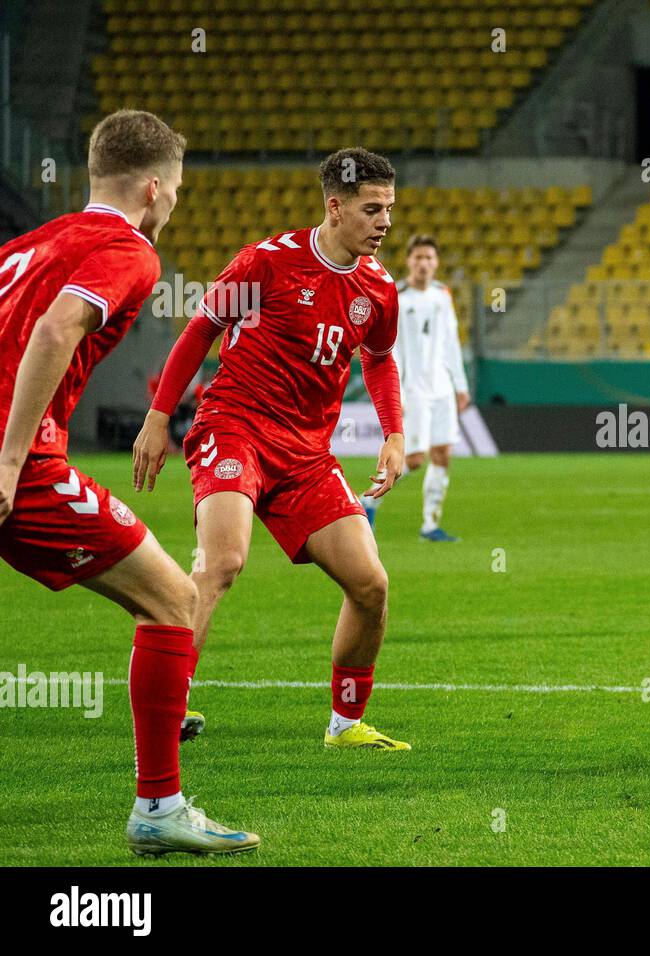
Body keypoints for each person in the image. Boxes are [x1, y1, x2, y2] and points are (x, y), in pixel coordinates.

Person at [0, 109, 257, 855]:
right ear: (152, 188)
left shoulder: (28, 244)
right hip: (25, 465)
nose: (174, 204)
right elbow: (56, 330)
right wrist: (13, 460)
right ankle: (159, 807)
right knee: (176, 600)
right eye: (174, 190)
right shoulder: (129, 250)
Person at [133, 147, 411, 752]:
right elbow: (201, 328)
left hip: (306, 453)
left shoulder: (379, 290)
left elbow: (381, 360)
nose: (385, 221)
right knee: (224, 560)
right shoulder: (267, 263)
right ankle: (167, 707)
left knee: (371, 584)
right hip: (235, 424)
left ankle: (345, 724)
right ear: (335, 208)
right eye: (372, 209)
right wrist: (158, 419)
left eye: (389, 208)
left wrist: (393, 431)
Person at [364, 234, 469, 540]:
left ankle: (430, 525)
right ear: (409, 261)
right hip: (413, 390)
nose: (423, 263)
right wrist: (396, 392)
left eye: (429, 258)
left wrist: (459, 386)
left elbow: (451, 343)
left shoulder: (442, 295)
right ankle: (369, 499)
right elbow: (388, 348)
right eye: (418, 257)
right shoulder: (396, 295)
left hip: (441, 388)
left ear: (436, 263)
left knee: (443, 455)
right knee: (413, 459)